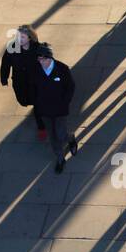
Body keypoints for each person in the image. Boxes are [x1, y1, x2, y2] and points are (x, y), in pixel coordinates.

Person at [31, 43, 78, 173]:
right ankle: (60, 158)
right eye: (39, 59)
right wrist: (37, 103)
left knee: (61, 134)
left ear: (49, 57)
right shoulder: (35, 70)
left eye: (43, 59)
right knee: (52, 137)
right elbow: (33, 88)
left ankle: (71, 138)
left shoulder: (62, 69)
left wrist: (65, 103)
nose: (40, 62)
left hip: (59, 110)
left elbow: (70, 87)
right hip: (45, 110)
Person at [1, 24, 45, 140]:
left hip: (35, 82)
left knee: (37, 104)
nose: (20, 39)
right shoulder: (12, 48)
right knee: (22, 100)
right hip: (20, 82)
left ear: (30, 38)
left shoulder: (39, 49)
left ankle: (41, 127)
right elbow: (5, 64)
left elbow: (48, 63)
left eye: (23, 37)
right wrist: (3, 78)